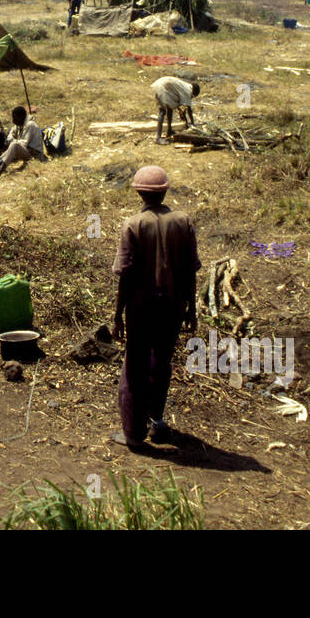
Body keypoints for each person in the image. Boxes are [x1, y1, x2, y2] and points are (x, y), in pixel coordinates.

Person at [111, 166, 201, 451]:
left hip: (141, 310)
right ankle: (157, 421)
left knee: (135, 368)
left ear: (139, 193)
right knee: (162, 364)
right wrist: (192, 308)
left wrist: (117, 315)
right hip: (173, 307)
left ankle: (134, 434)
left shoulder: (133, 225)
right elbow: (190, 271)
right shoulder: (183, 221)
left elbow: (125, 275)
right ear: (165, 191)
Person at [0, 106, 44, 184]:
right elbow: (10, 135)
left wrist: (12, 140)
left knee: (14, 145)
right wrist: (6, 137)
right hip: (28, 152)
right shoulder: (19, 125)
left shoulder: (30, 125)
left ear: (21, 117)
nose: (13, 120)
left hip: (35, 155)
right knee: (10, 145)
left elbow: (23, 143)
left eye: (15, 118)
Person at [151, 76, 199, 142]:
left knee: (170, 109)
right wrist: (193, 124)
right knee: (162, 111)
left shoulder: (186, 86)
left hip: (162, 84)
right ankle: (158, 138)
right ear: (194, 93)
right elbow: (189, 110)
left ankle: (169, 130)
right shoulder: (188, 91)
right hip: (161, 86)